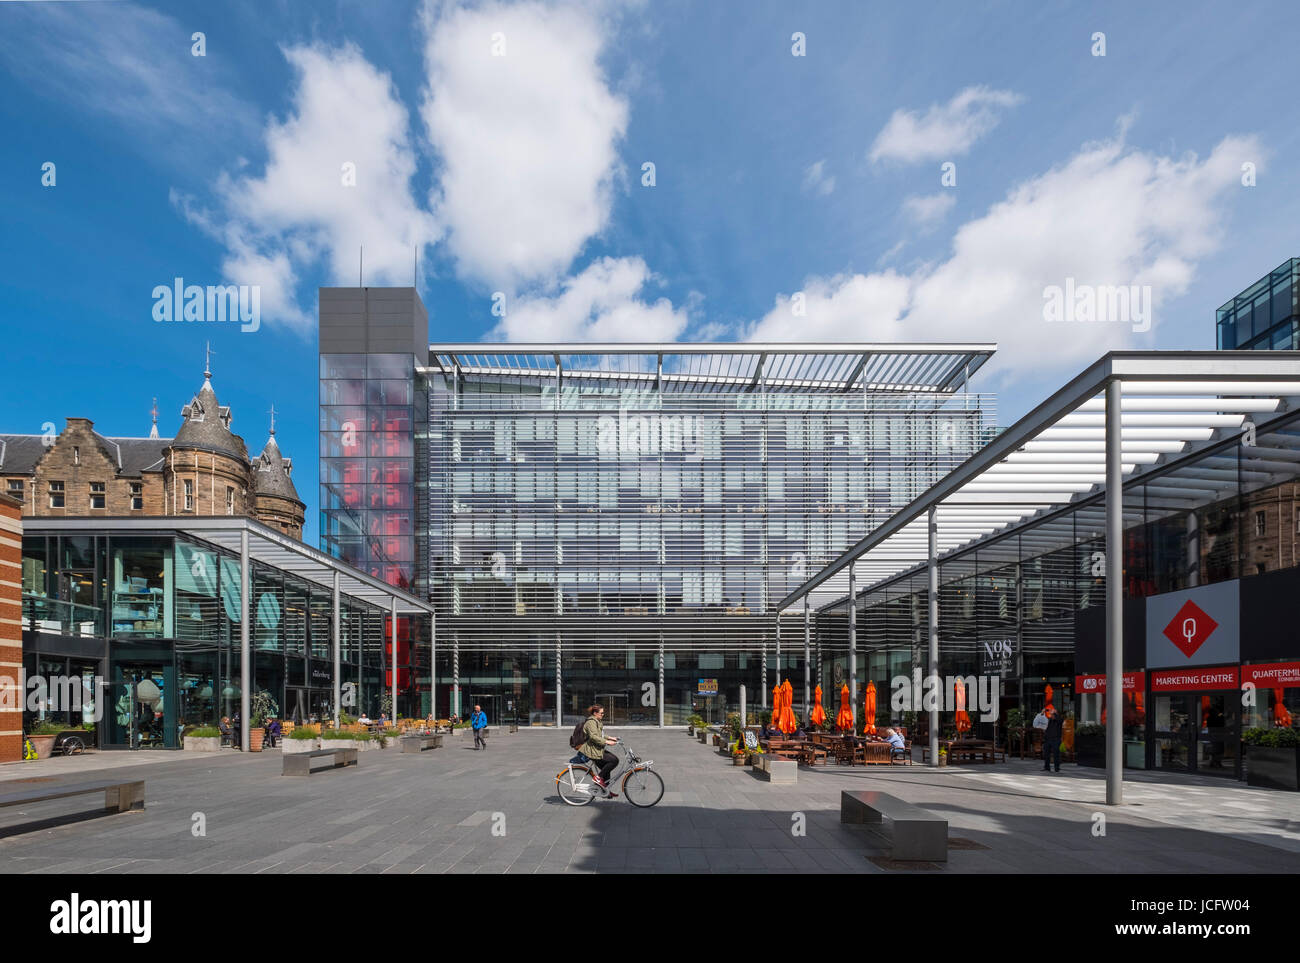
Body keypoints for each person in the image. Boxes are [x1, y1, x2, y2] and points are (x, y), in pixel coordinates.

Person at [580, 704, 620, 790]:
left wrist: (610, 737)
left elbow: (600, 735)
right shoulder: (591, 722)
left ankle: (605, 790)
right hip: (592, 750)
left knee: (606, 769)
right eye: (601, 713)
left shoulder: (597, 721)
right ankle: (598, 778)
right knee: (614, 760)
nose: (603, 714)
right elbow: (593, 737)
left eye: (603, 713)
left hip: (597, 749)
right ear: (595, 713)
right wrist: (607, 741)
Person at [1043, 706, 1064, 772]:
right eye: (1051, 714)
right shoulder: (1050, 720)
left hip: (1056, 739)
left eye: (1052, 714)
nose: (1051, 715)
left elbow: (1059, 720)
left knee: (1056, 754)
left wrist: (1055, 714)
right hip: (1048, 739)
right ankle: (1047, 767)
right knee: (1046, 754)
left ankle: (1056, 768)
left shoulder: (1060, 719)